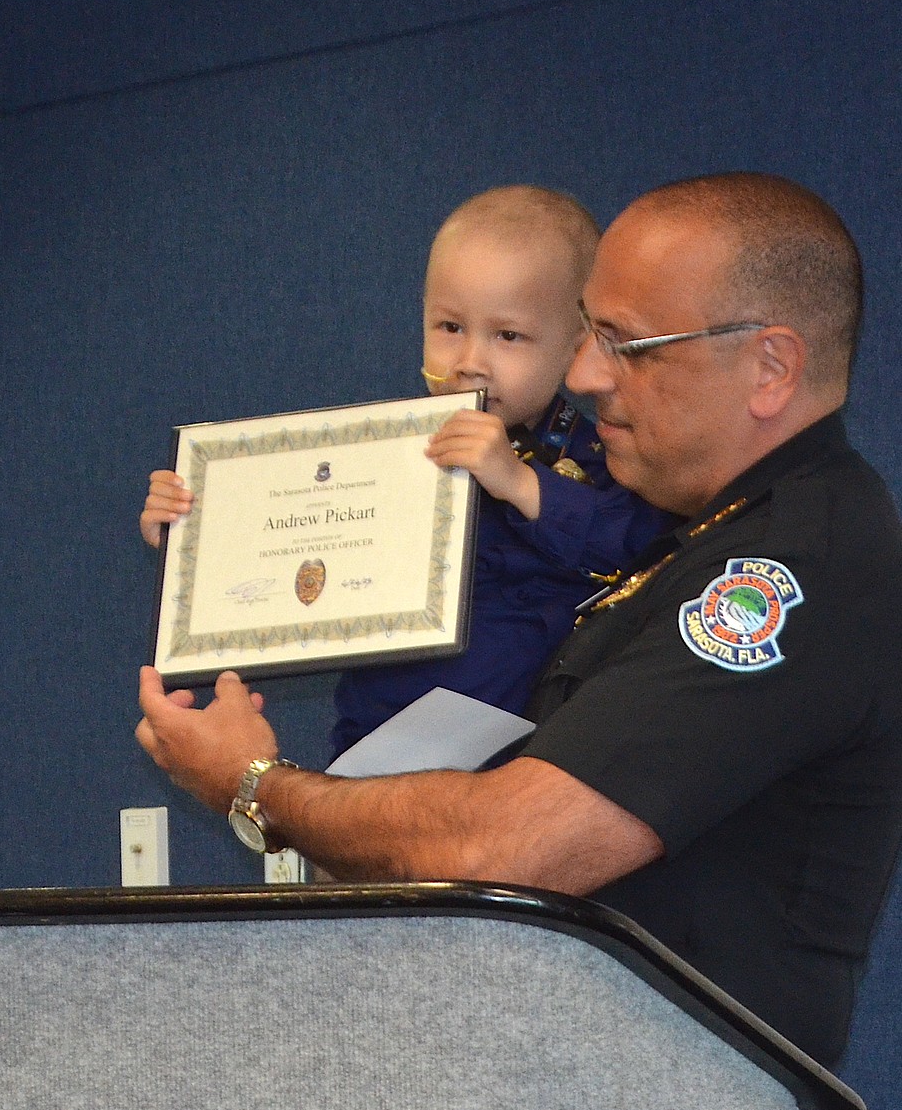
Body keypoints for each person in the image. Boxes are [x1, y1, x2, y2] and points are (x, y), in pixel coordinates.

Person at [137, 171, 902, 1110]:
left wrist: (259, 788)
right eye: (588, 334)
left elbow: (519, 846)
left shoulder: (793, 564)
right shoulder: (676, 548)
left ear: (770, 368)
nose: (587, 375)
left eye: (628, 344)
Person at [140, 187, 671, 758]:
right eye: (449, 327)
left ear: (576, 348)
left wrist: (522, 485)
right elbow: (294, 548)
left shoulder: (601, 456)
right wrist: (194, 524)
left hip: (522, 760)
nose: (470, 359)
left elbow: (647, 550)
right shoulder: (383, 457)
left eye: (508, 336)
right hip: (373, 748)